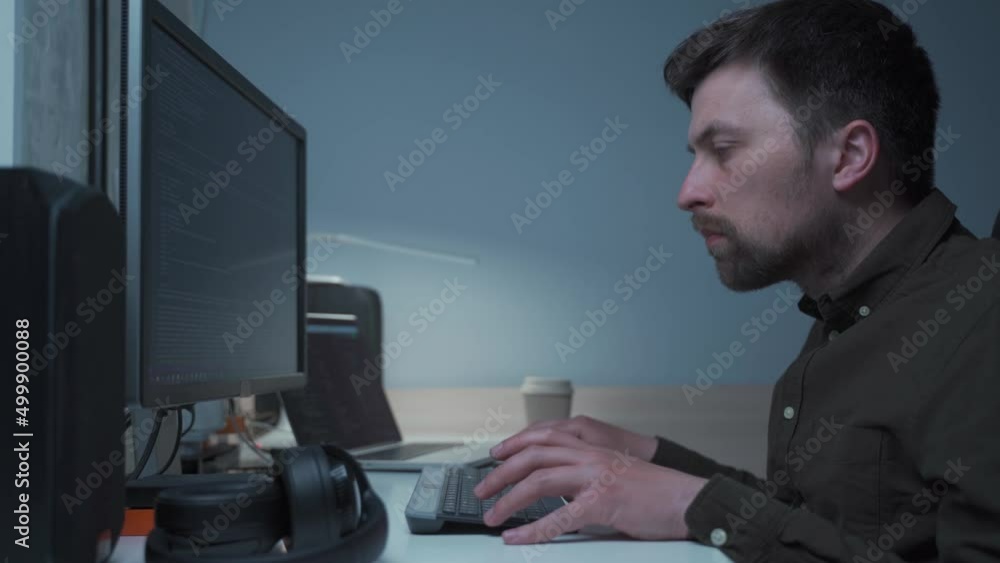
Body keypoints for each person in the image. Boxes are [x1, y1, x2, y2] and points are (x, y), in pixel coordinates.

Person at [474, 0, 1000, 560]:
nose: (688, 193)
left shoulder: (982, 315)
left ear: (849, 156)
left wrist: (694, 505)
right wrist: (646, 458)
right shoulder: (847, 314)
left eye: (724, 151)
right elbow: (813, 529)